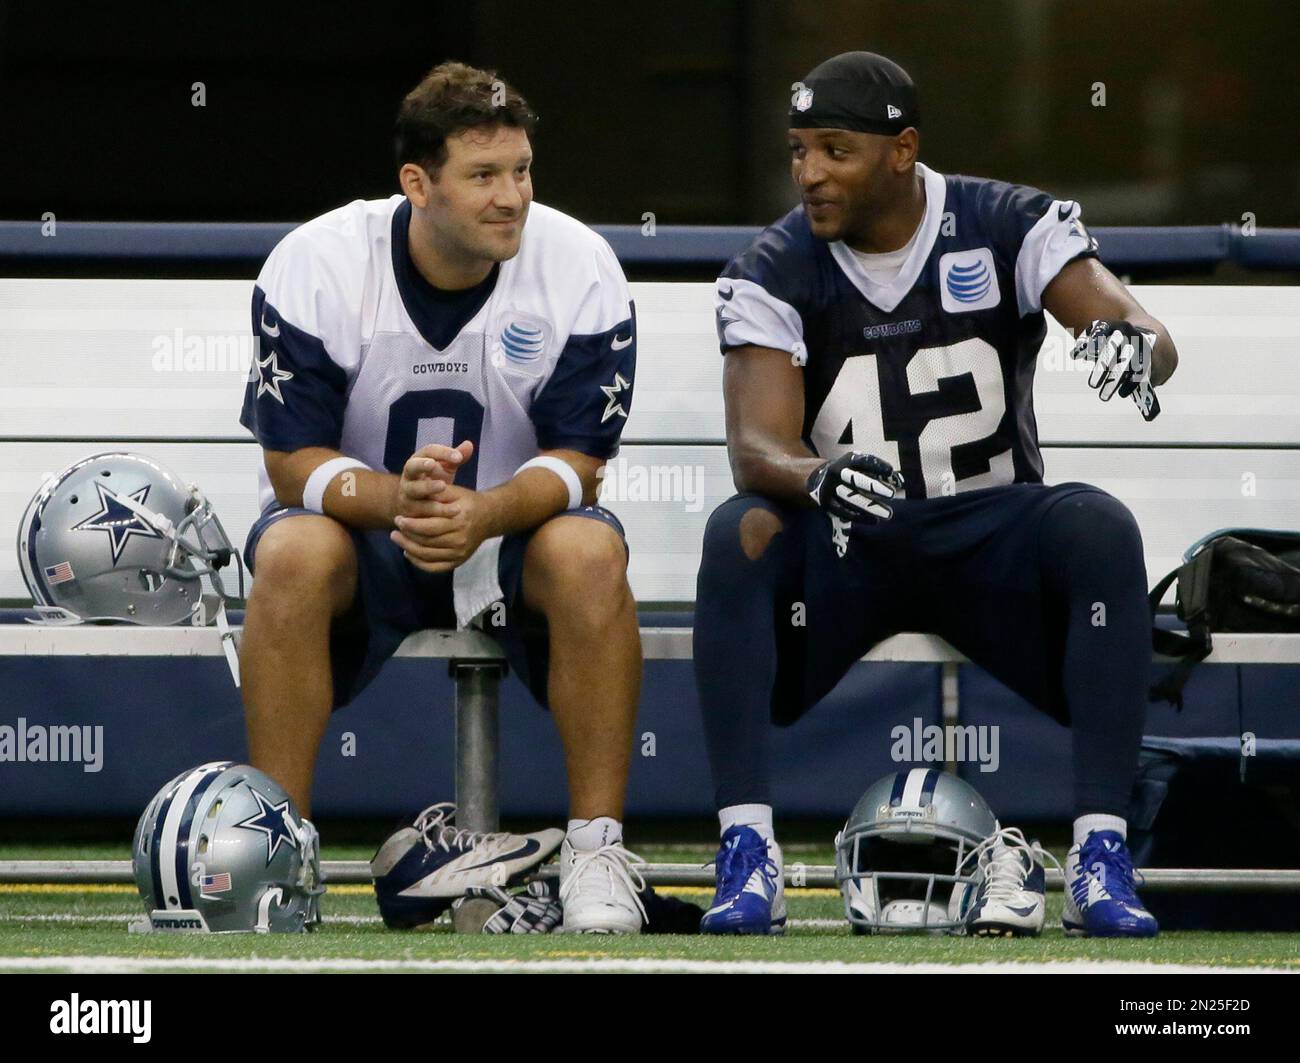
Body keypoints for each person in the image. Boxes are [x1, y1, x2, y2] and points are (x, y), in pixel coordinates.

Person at [696, 51, 1177, 938]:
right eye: (799, 150)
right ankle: (747, 847)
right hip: (855, 534)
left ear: (901, 150)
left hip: (991, 530)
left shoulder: (1002, 221)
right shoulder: (776, 263)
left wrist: (1132, 341)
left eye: (834, 150)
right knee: (742, 532)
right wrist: (817, 475)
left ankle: (1102, 855)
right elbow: (756, 447)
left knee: (1100, 526)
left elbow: (1130, 322)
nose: (808, 174)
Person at [238, 61, 645, 934]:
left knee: (590, 549)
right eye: (484, 176)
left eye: (523, 170)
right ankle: (280, 849)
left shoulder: (578, 265)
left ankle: (597, 850)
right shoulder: (319, 262)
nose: (513, 197)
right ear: (417, 184)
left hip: (515, 534)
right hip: (362, 536)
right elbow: (288, 463)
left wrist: (486, 512)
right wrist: (396, 500)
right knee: (290, 550)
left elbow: (582, 459)